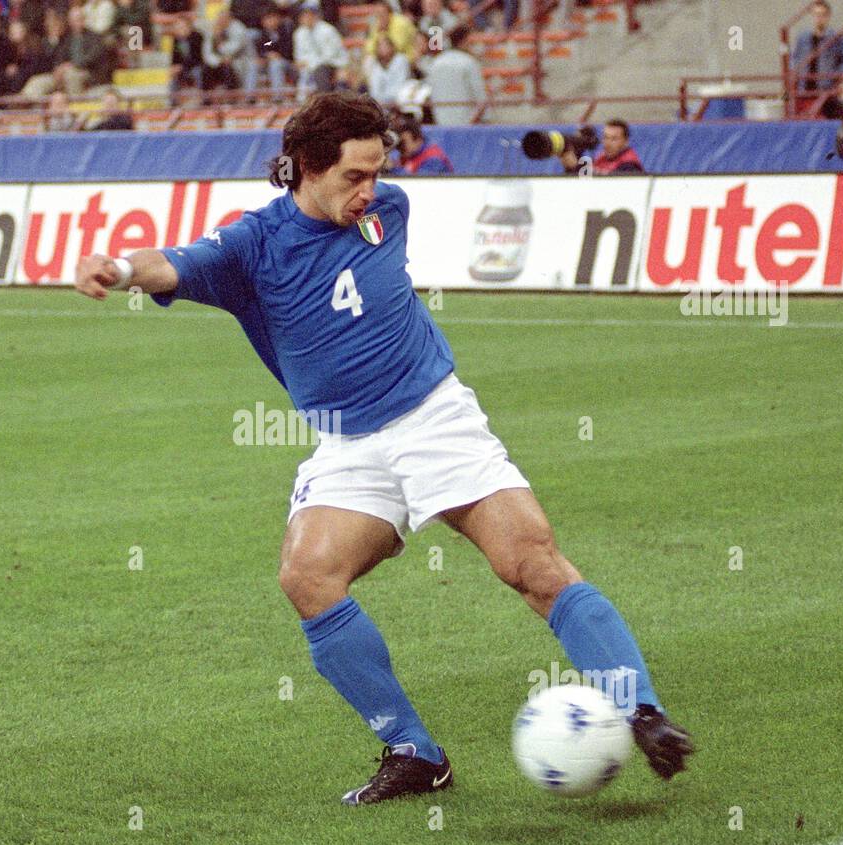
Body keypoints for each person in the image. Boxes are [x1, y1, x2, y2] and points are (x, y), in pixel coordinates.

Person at [71, 91, 694, 804]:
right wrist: (116, 269)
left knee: (530, 563)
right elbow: (169, 264)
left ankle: (641, 708)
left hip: (434, 420)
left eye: (377, 172)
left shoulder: (387, 210)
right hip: (347, 445)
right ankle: (415, 752)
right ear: (304, 167)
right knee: (307, 577)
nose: (371, 191)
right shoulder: (250, 247)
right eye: (354, 177)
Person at [792, 1, 843, 114]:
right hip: (804, 90)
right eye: (816, 14)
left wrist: (835, 74)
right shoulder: (803, 38)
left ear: (828, 16)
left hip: (825, 89)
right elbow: (794, 58)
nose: (819, 18)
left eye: (822, 15)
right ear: (812, 16)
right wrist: (795, 73)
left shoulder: (836, 38)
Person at [424, 22, 483, 125]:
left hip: (441, 122)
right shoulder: (469, 62)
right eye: (471, 41)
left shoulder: (436, 61)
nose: (473, 44)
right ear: (464, 41)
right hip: (466, 124)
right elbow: (481, 98)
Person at [293, 0, 346, 101]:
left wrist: (311, 63)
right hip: (308, 66)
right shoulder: (299, 33)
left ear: (315, 15)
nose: (306, 17)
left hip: (332, 64)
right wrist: (303, 63)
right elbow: (299, 55)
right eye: (304, 15)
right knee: (296, 70)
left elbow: (329, 56)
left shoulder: (328, 30)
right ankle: (301, 101)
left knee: (320, 70)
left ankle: (325, 100)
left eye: (309, 14)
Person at [560, 118, 644, 174]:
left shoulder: (630, 165)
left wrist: (576, 167)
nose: (607, 143)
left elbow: (608, 187)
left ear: (625, 142)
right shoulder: (602, 158)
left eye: (614, 139)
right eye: (605, 137)